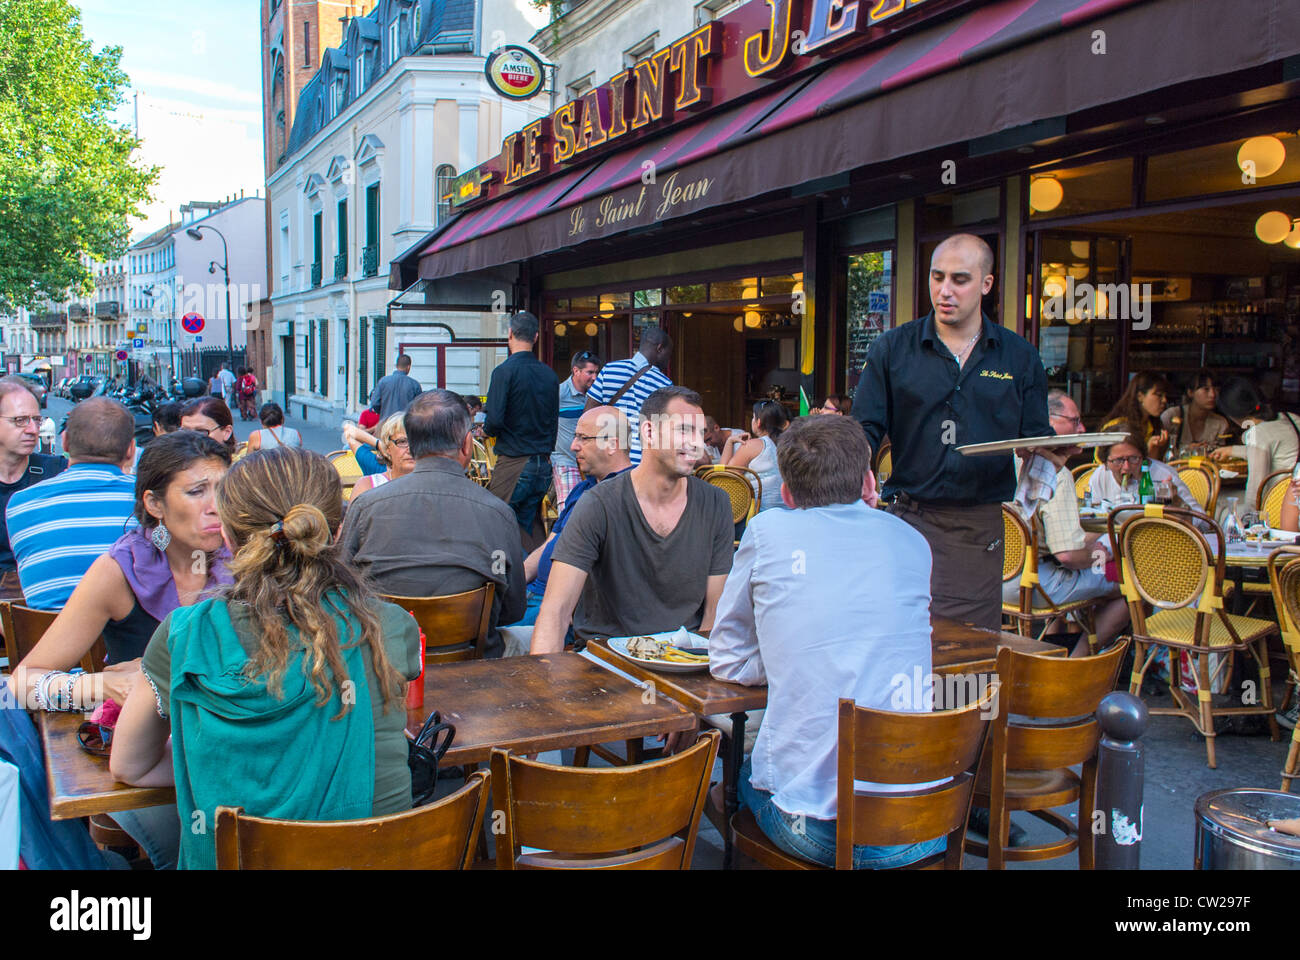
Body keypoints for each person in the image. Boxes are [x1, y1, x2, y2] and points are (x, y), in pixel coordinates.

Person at [110, 446, 421, 870]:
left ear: (227, 536)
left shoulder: (184, 635)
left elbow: (129, 765)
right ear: (338, 528)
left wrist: (210, 759)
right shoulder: (389, 625)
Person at [710, 414, 941, 869]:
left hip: (817, 832)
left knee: (724, 785)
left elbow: (727, 658)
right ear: (870, 480)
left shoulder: (768, 531)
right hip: (923, 827)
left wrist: (785, 663)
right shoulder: (913, 541)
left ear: (788, 494)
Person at [6, 430, 233, 869]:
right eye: (196, 491)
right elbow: (23, 685)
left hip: (224, 744)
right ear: (154, 505)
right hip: (146, 759)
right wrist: (100, 687)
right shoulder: (121, 569)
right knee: (184, 850)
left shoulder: (242, 557)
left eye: (223, 490)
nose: (215, 506)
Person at [852, 233, 1053, 632]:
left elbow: (1036, 437)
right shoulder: (893, 349)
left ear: (986, 284)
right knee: (899, 634)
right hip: (908, 517)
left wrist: (1050, 452)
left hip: (977, 528)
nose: (945, 291)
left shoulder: (1019, 356)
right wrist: (855, 469)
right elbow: (865, 428)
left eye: (959, 279)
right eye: (937, 276)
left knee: (968, 648)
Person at [532, 386, 734, 653]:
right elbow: (556, 612)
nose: (697, 444)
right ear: (649, 432)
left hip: (686, 662)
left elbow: (714, 615)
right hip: (608, 664)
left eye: (699, 433)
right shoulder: (598, 504)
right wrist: (549, 688)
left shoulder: (716, 503)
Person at [341, 390, 525, 658]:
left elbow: (341, 592)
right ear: (466, 445)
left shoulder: (367, 506)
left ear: (412, 447)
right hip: (474, 663)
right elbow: (513, 609)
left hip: (385, 661)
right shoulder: (498, 513)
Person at [1006, 391, 1129, 657]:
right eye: (1074, 421)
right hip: (1036, 585)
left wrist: (1090, 545)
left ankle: (1051, 653)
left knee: (1095, 570)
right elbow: (1068, 555)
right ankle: (1075, 661)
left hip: (996, 580)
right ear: (1047, 421)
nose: (1082, 429)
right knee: (1130, 585)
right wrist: (1103, 553)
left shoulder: (1005, 461)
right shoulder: (1055, 474)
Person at [7, 398, 138, 610]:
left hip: (42, 638)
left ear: (65, 442)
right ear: (131, 449)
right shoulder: (149, 501)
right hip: (127, 640)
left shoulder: (20, 504)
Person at [514, 406, 632, 628]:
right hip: (533, 594)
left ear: (612, 444)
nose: (573, 445)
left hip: (557, 608)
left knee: (488, 640)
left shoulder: (627, 494)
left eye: (583, 438)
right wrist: (513, 583)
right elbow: (551, 542)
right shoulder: (584, 488)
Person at [484, 311, 560, 551]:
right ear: (536, 337)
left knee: (494, 523)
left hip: (515, 462)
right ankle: (531, 582)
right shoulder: (549, 375)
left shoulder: (504, 372)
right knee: (526, 528)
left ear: (509, 334)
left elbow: (494, 421)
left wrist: (485, 431)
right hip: (543, 464)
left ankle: (510, 583)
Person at [0, 379, 67, 601]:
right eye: (20, 421)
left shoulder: (56, 471)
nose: (33, 430)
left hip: (45, 599)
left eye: (36, 420)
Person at [583, 326, 673, 466]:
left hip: (606, 457)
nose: (668, 360)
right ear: (659, 348)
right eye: (669, 354)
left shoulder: (609, 370)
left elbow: (588, 413)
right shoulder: (664, 384)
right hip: (641, 462)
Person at [1218, 378, 1297, 512]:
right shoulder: (1289, 418)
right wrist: (1232, 450)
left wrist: (1247, 524)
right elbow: (1275, 452)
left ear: (1232, 415)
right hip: (1295, 503)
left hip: (1279, 509)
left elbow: (1255, 492)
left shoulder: (1258, 434)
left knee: (1218, 500)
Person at [1088, 426, 1199, 511]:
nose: (1126, 467)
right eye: (1118, 460)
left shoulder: (1163, 475)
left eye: (1133, 458)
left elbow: (1202, 522)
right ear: (1106, 462)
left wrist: (1176, 501)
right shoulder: (1100, 475)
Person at [551, 351, 601, 513]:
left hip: (593, 464)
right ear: (576, 371)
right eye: (590, 372)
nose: (595, 377)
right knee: (570, 512)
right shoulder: (559, 394)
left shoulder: (598, 395)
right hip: (566, 461)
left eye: (597, 372)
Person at [721, 399, 790, 512]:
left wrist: (729, 442)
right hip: (788, 509)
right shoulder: (789, 445)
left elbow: (723, 479)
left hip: (759, 512)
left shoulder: (753, 445)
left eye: (753, 417)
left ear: (758, 422)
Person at [1101, 372, 1170, 462]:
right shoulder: (1118, 425)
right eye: (1159, 395)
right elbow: (1109, 463)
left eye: (1165, 396)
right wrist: (1147, 451)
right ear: (1140, 396)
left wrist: (1155, 449)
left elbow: (1153, 466)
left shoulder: (1153, 426)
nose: (1164, 400)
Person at [349, 413, 414, 499]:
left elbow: (350, 433)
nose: (410, 449)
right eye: (402, 442)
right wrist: (382, 445)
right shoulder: (368, 484)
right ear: (388, 447)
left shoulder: (433, 483)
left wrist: (378, 445)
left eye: (416, 442)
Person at [368, 354, 422, 423]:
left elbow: (375, 403)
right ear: (408, 367)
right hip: (405, 425)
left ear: (396, 366)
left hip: (386, 423)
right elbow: (419, 407)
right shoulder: (414, 384)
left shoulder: (383, 381)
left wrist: (383, 412)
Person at [343, 408, 387, 476]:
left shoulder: (375, 465)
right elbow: (355, 430)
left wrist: (379, 444)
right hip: (371, 443)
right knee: (346, 448)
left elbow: (348, 430)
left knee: (347, 449)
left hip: (374, 444)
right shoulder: (366, 413)